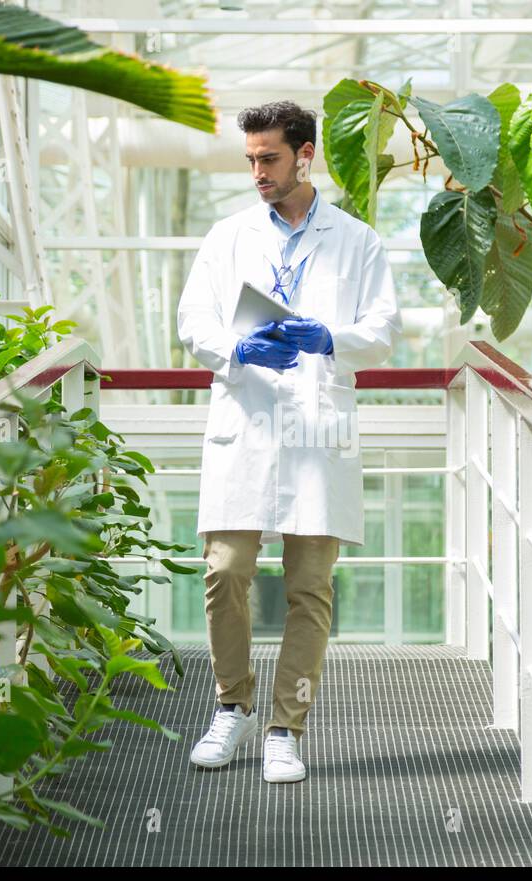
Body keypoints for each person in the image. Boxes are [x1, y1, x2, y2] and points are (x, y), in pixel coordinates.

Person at [176, 100, 402, 783]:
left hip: (317, 426)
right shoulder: (228, 236)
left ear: (305, 154)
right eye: (249, 159)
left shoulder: (356, 240)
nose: (257, 172)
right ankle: (231, 707)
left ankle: (284, 727)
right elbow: (193, 321)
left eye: (268, 158)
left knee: (310, 587)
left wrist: (334, 340)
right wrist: (237, 350)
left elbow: (384, 326)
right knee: (225, 570)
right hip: (247, 420)